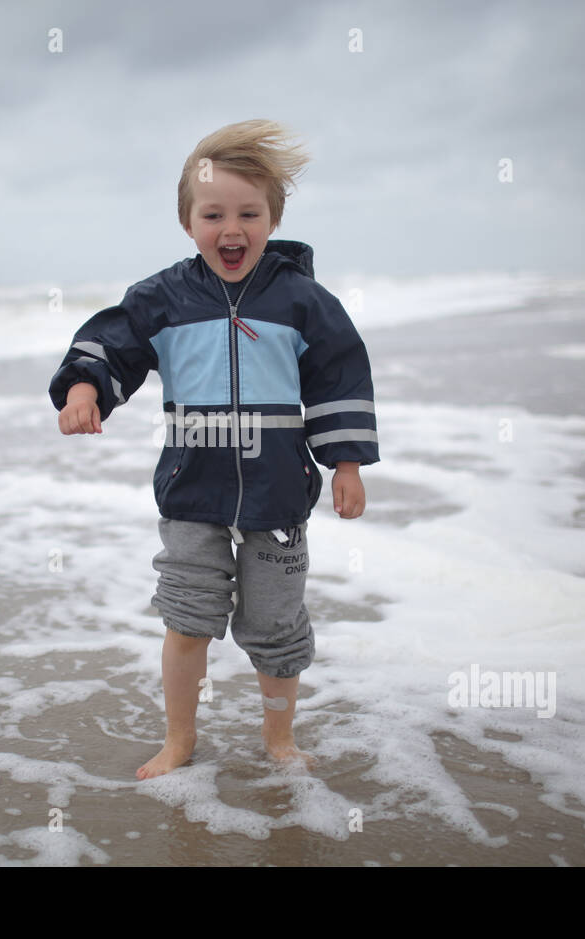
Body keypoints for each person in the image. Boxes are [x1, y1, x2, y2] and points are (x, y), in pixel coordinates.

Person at [48, 119, 379, 779]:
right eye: (214, 214)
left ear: (273, 217)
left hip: (280, 496)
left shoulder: (302, 302)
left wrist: (345, 464)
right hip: (191, 490)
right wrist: (84, 388)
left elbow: (340, 375)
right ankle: (180, 739)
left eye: (249, 213)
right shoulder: (164, 299)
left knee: (277, 630)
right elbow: (114, 341)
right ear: (187, 220)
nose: (232, 228)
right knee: (187, 618)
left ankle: (279, 741)